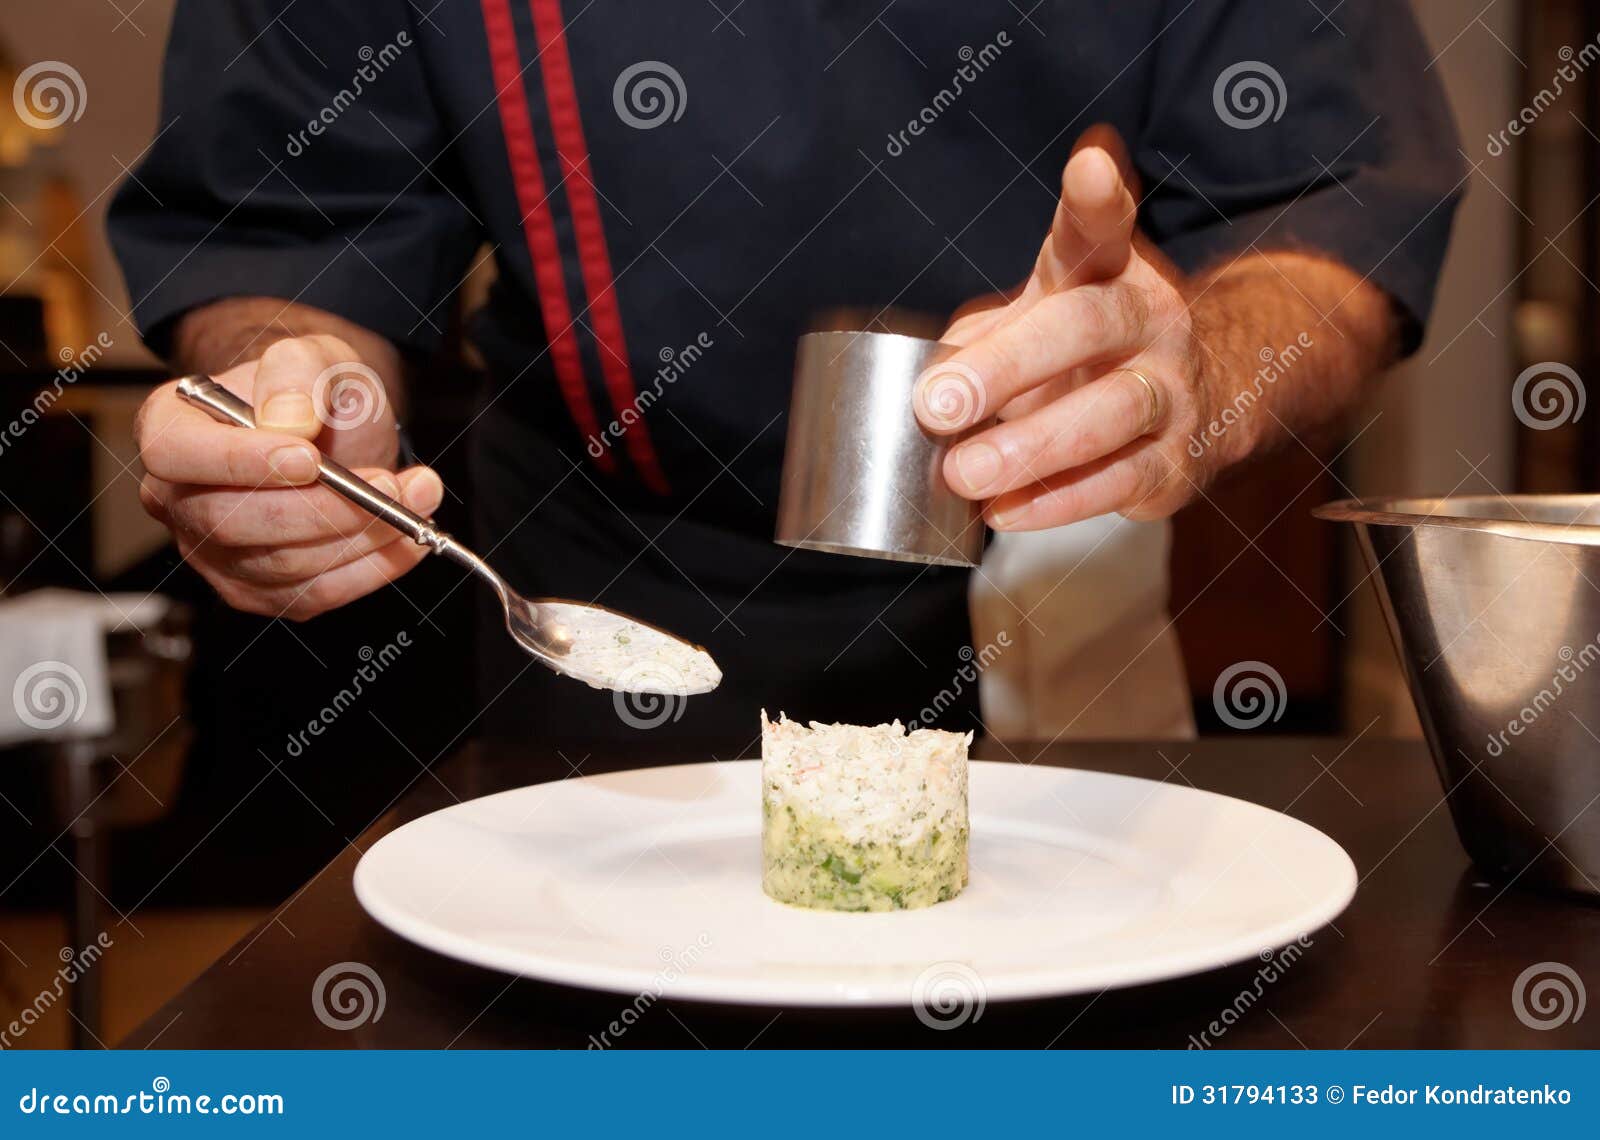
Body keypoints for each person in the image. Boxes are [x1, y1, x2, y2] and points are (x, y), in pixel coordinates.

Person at [110, 1, 1461, 746]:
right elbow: (287, 224)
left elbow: (1333, 203)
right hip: (598, 593)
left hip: (1048, 585)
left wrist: (1205, 369)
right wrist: (292, 393)